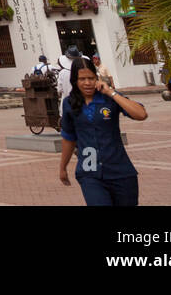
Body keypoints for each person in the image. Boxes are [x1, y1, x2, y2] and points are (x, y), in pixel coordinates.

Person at [58, 57, 148, 206]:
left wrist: (111, 92)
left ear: (97, 78)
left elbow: (141, 114)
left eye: (91, 78)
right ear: (74, 80)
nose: (87, 83)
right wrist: (62, 167)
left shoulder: (109, 99)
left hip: (120, 170)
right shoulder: (69, 103)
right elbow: (69, 138)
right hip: (89, 172)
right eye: (82, 79)